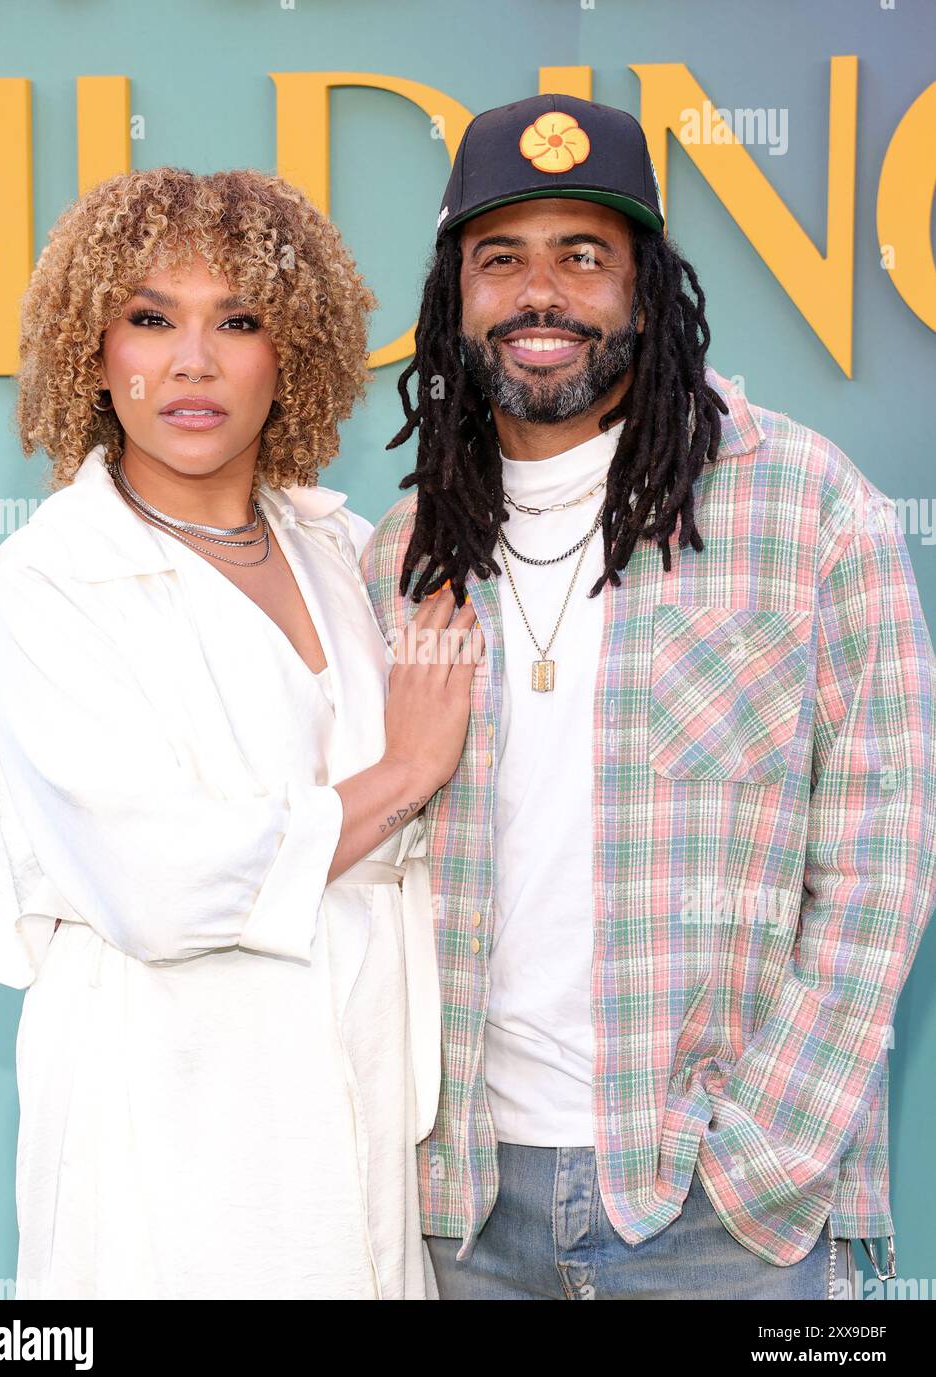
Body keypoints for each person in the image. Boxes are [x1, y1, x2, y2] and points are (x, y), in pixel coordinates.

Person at [361, 95, 936, 1299]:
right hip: (459, 1201)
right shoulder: (410, 546)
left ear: (646, 286)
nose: (541, 295)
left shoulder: (806, 506)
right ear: (451, 294)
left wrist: (767, 1149)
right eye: (499, 258)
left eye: (585, 255)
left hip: (717, 1213)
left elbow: (886, 851)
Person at [0, 167, 483, 1300]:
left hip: (362, 1132)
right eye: (150, 318)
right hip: (167, 1134)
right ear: (92, 349)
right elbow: (158, 884)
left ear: (290, 352)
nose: (193, 361)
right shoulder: (53, 577)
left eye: (238, 321)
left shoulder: (347, 551)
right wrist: (403, 773)